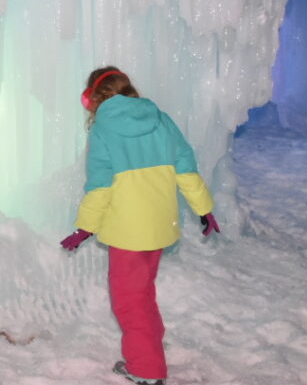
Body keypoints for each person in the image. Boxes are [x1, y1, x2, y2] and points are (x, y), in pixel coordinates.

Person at [58, 66, 219, 385]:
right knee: (142, 292)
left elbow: (101, 186)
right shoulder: (161, 119)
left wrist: (84, 228)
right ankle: (149, 347)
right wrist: (204, 209)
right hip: (160, 227)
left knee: (129, 301)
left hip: (128, 233)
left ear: (91, 99)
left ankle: (146, 369)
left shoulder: (103, 129)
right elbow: (186, 167)